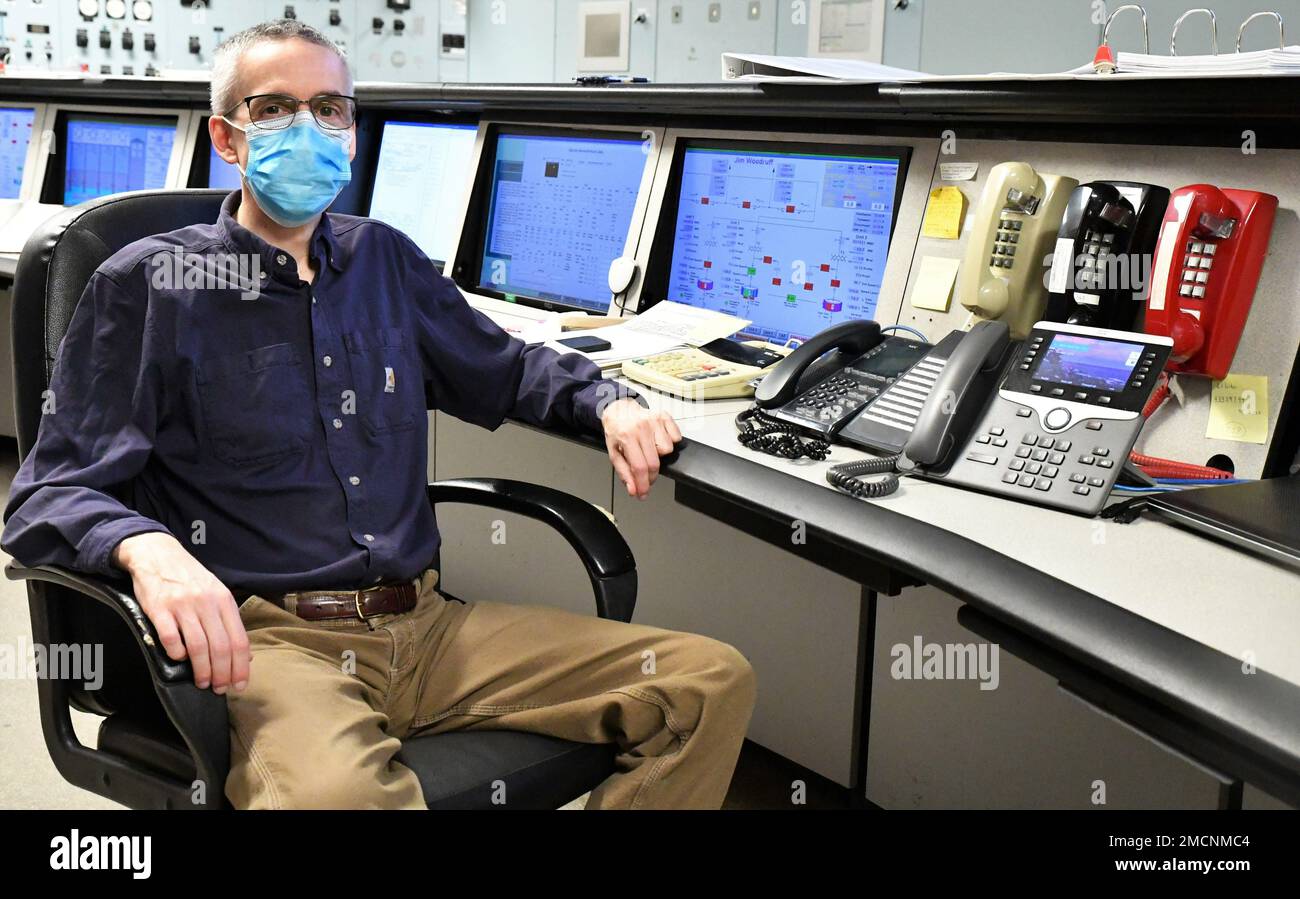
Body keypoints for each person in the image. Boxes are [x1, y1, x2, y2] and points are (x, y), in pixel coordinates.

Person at [2, 20, 755, 810]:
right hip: (272, 641)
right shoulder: (152, 284)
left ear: (353, 133)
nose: (309, 128)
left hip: (429, 627)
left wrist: (610, 398)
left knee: (708, 682)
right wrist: (147, 549)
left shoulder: (385, 261)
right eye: (275, 110)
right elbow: (47, 495)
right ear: (226, 138)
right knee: (337, 798)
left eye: (330, 108)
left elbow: (507, 367)